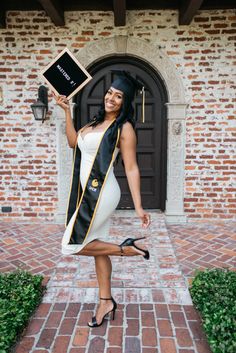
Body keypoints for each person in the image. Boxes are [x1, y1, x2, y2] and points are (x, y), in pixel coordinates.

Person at [53, 71, 151, 328]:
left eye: (119, 96)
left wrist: (139, 206)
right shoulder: (93, 123)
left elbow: (131, 167)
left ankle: (126, 250)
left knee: (71, 245)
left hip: (103, 194)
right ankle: (105, 301)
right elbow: (74, 143)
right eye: (110, 93)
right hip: (88, 193)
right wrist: (66, 112)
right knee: (95, 247)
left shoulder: (124, 128)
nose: (111, 98)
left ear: (125, 102)